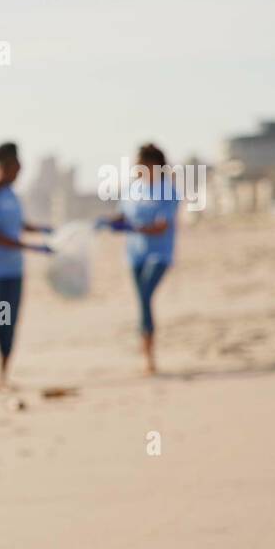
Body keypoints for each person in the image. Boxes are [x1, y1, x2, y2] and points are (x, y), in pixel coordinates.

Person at [0, 142, 54, 390]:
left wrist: (42, 230)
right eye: (16, 167)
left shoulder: (11, 195)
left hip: (11, 273)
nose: (19, 173)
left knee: (6, 321)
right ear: (5, 167)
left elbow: (18, 225)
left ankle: (3, 372)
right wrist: (31, 247)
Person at [97, 143, 179, 375]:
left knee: (145, 296)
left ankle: (148, 354)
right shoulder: (133, 190)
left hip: (160, 254)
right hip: (135, 255)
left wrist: (132, 227)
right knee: (142, 301)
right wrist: (108, 222)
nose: (136, 168)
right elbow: (122, 216)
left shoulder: (168, 190)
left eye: (140, 163)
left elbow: (161, 226)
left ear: (154, 165)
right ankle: (147, 353)